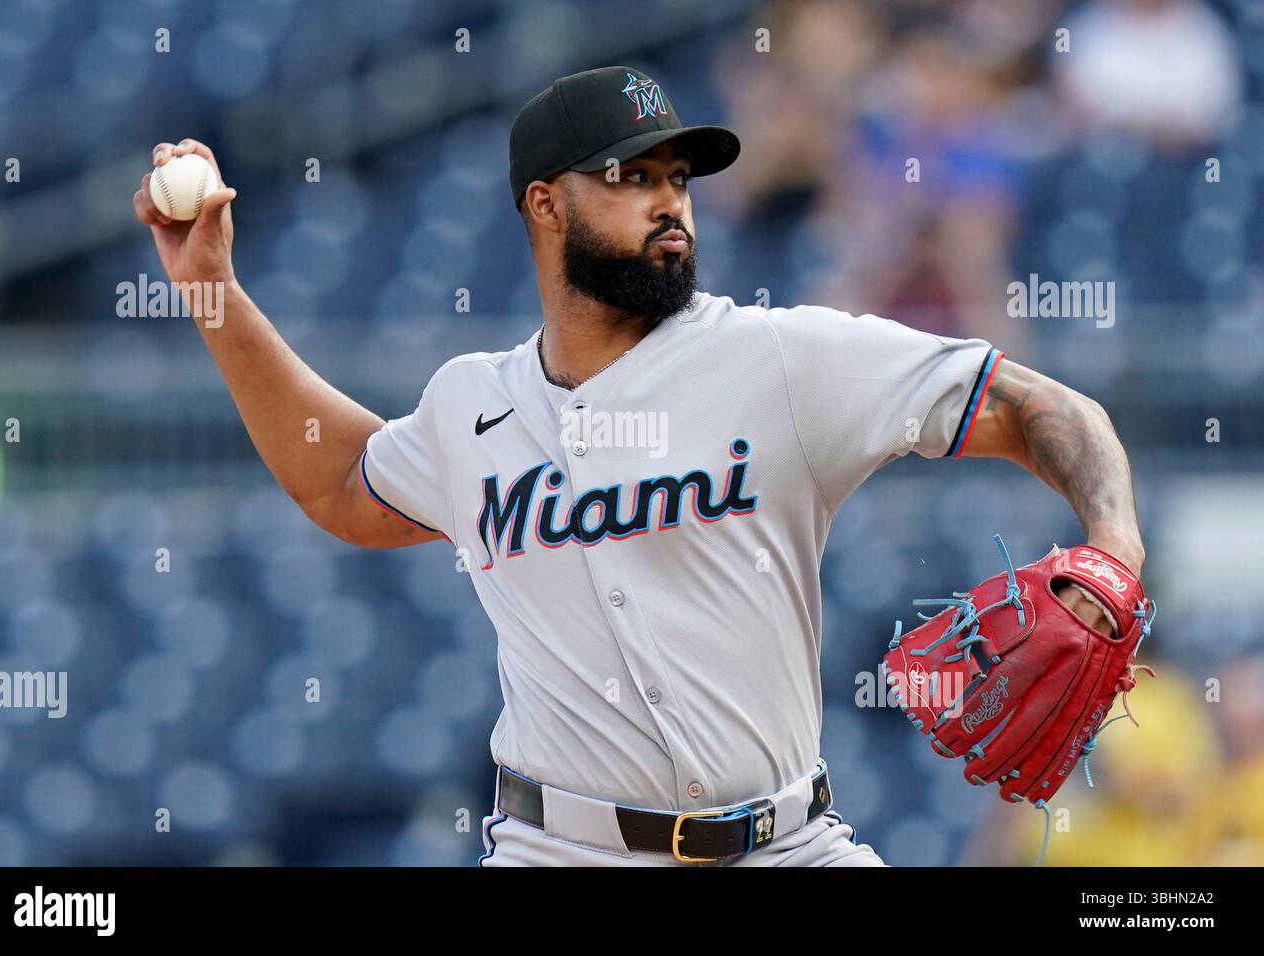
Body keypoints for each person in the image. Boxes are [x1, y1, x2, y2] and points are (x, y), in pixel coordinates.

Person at [132, 66, 1146, 866]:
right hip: (558, 849)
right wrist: (213, 290)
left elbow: (1043, 408)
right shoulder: (470, 405)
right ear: (545, 204)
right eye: (632, 177)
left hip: (787, 845)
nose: (670, 204)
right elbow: (339, 478)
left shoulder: (782, 358)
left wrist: (1112, 552)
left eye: (678, 179)